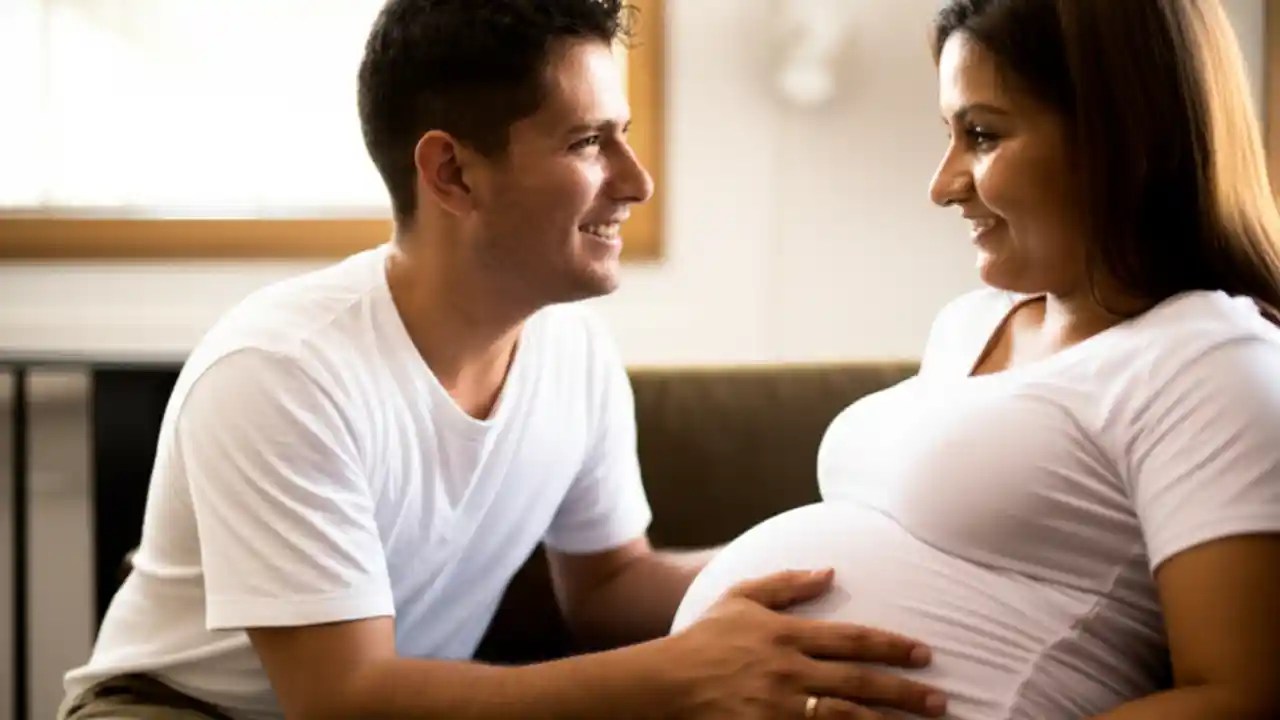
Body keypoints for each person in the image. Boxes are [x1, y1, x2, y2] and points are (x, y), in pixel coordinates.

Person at [58, 1, 952, 718]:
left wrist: (833, 570)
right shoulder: (281, 370)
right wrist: (679, 677)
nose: (635, 181)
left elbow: (607, 585)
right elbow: (344, 697)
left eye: (625, 133)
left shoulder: (572, 352)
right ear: (450, 174)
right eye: (587, 140)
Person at [672, 0, 1280, 718]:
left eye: (983, 136)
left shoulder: (1212, 361)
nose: (943, 184)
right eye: (950, 135)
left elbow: (1241, 696)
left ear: (1122, 136)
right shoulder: (969, 325)